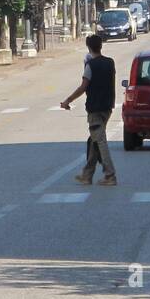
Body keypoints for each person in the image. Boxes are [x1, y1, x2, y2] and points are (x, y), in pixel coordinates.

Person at [60, 33, 118, 185]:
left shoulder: (90, 66)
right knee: (94, 140)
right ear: (101, 46)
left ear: (88, 47)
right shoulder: (110, 62)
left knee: (100, 141)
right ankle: (87, 175)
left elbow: (83, 87)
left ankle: (110, 175)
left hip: (95, 109)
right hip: (108, 107)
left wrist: (67, 100)